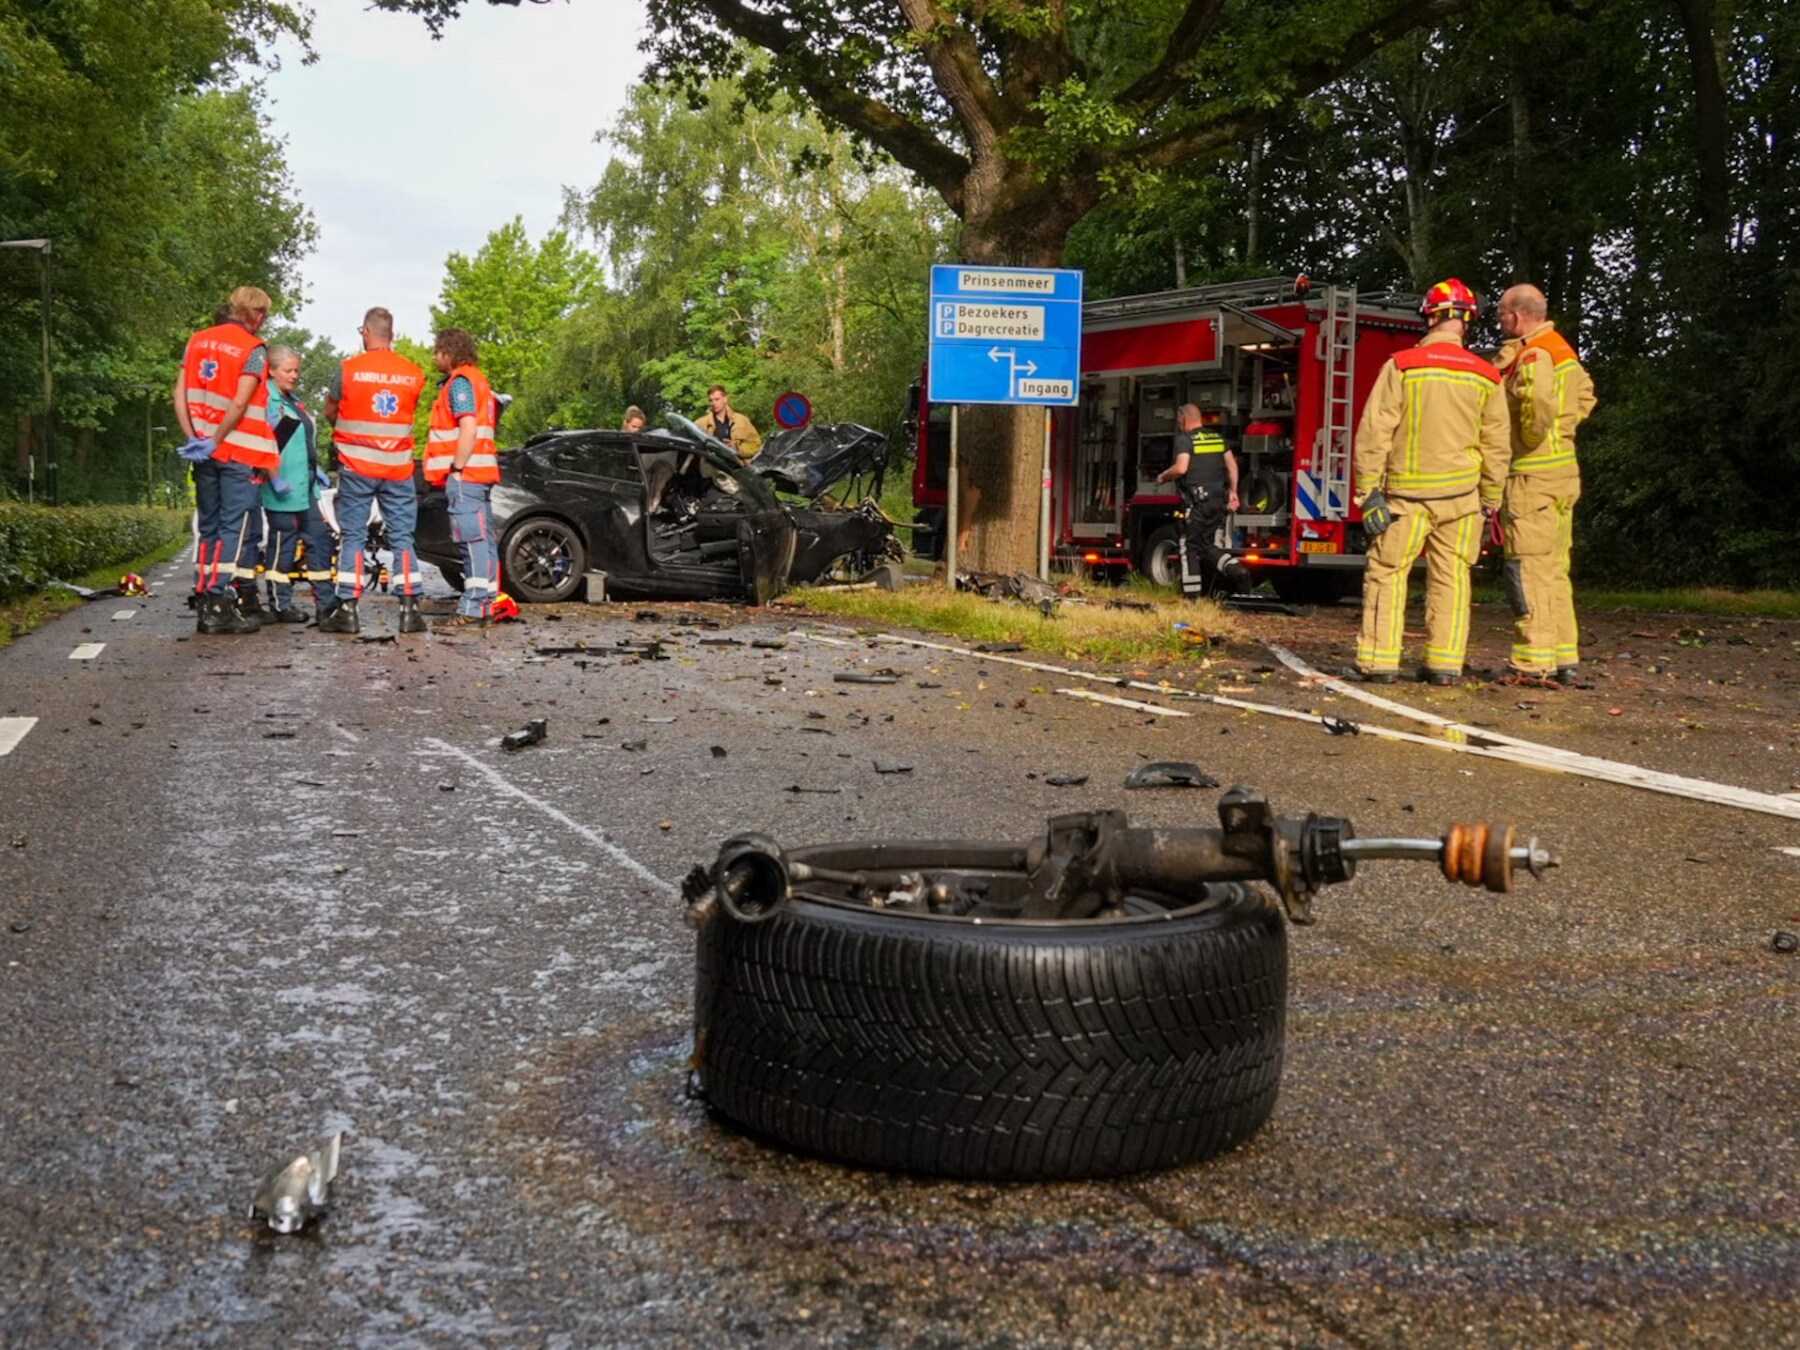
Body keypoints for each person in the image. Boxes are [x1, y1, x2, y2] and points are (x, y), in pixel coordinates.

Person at [1349, 278, 1511, 685]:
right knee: (1452, 578)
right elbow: (1496, 445)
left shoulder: (1402, 366)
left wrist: (1368, 492)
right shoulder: (1487, 375)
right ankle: (1444, 665)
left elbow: (1374, 433)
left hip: (1406, 498)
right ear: (1467, 322)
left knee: (1387, 573)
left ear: (1429, 317)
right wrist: (1490, 499)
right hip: (1462, 500)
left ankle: (1378, 663)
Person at [1495, 284, 1597, 686]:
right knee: (1555, 569)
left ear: (1517, 316)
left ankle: (1531, 661)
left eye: (1502, 315)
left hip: (1532, 476)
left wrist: (1529, 438)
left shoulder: (1534, 353)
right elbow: (1586, 396)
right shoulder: (1562, 350)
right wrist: (1564, 428)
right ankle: (1562, 657)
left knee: (1528, 569)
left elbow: (1536, 405)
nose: (1500, 321)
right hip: (1563, 473)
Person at [173, 285, 280, 636]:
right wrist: (217, 440)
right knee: (232, 528)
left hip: (202, 451)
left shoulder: (196, 341)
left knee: (208, 526)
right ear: (257, 315)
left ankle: (205, 599)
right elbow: (239, 402)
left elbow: (179, 392)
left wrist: (194, 438)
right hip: (235, 451)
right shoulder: (254, 350)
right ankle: (219, 605)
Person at [319, 307, 429, 636]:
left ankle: (348, 609)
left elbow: (330, 410)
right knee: (402, 536)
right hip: (397, 468)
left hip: (357, 465)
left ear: (365, 332)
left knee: (353, 535)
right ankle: (409, 610)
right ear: (391, 335)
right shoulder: (413, 373)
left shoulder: (348, 370)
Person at [422, 327, 500, 628]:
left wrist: (456, 467)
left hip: (466, 475)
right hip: (481, 473)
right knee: (484, 541)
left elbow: (467, 427)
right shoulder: (479, 381)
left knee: (471, 540)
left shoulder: (460, 384)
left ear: (449, 353)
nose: (434, 357)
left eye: (437, 351)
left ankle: (473, 608)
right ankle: (487, 603)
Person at [260, 346, 336, 623]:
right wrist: (274, 478)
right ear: (272, 370)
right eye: (288, 370)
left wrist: (314, 469)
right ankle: (280, 605)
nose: (294, 375)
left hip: (305, 486)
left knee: (320, 540)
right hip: (282, 487)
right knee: (283, 546)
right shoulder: (265, 401)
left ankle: (326, 604)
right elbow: (264, 442)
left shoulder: (293, 401)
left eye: (296, 370)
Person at [1154, 404, 1249, 597]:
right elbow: (1232, 466)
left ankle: (1192, 597)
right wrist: (1233, 491)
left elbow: (1181, 468)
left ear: (1184, 419)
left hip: (1196, 503)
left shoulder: (1185, 440)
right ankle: (1235, 568)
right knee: (1206, 546)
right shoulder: (1218, 438)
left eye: (1179, 421)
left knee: (1188, 547)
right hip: (1217, 501)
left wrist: (1163, 475)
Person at [696, 384, 761, 463]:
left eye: (717, 399)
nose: (713, 403)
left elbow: (756, 445)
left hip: (736, 467)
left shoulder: (741, 420)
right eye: (711, 400)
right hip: (712, 466)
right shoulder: (701, 423)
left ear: (725, 399)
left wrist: (737, 448)